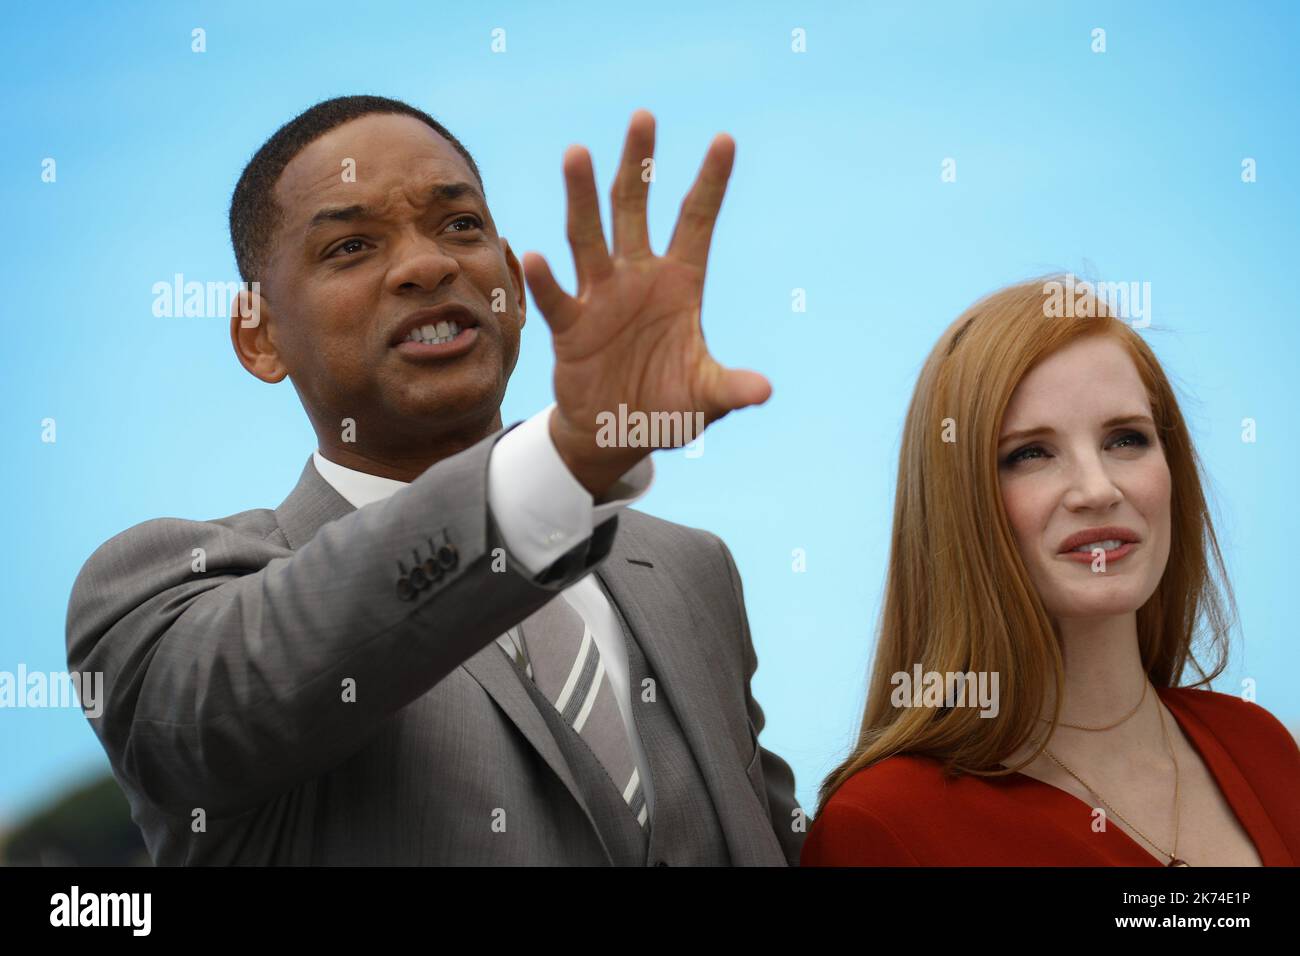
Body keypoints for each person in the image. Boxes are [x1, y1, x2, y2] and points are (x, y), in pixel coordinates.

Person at [65, 95, 803, 865]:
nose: (428, 265)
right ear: (259, 336)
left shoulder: (690, 571)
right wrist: (567, 462)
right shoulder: (166, 589)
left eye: (459, 225)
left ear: (513, 288)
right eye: (350, 246)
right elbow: (226, 711)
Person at [802, 276, 1299, 866]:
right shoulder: (885, 825)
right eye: (1030, 453)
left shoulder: (1261, 744)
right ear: (958, 504)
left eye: (1126, 439)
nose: (1097, 488)